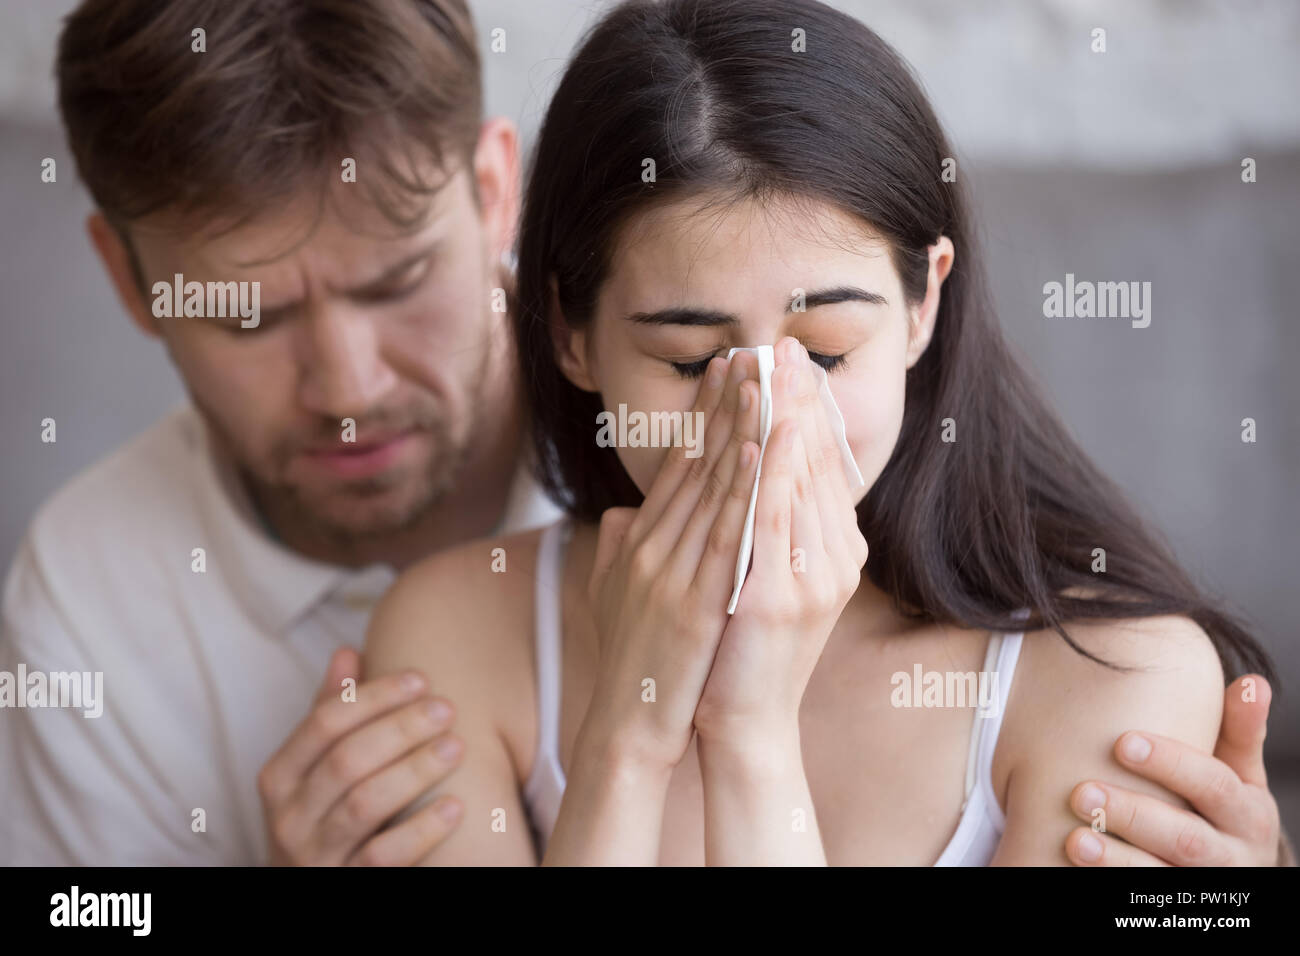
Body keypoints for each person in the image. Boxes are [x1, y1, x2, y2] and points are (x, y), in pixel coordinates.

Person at [363, 0, 1290, 865]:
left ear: (923, 304)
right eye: (691, 362)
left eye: (829, 350)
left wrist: (751, 734)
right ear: (571, 335)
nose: (766, 420)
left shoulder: (1115, 674)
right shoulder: (456, 637)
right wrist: (629, 740)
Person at [0, 0, 561, 865]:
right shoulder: (84, 602)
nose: (349, 388)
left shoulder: (691, 434)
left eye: (398, 282)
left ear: (492, 192)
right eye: (251, 319)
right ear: (129, 279)